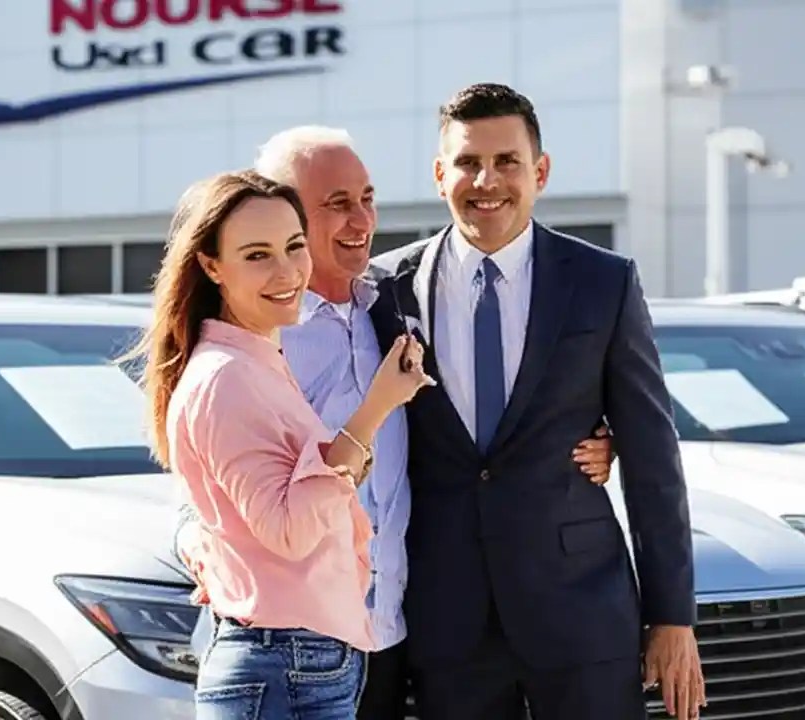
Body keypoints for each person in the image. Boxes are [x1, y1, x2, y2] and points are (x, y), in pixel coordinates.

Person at [247, 126, 616, 719]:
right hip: (298, 643)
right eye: (337, 204)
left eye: (367, 199)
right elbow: (214, 474)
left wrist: (598, 436)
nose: (360, 221)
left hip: (387, 634)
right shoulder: (258, 337)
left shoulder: (389, 305)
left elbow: (479, 421)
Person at [367, 83, 705, 720]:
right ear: (440, 175)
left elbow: (654, 458)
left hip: (582, 612)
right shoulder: (384, 292)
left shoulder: (603, 281)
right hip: (446, 620)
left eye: (507, 162)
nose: (486, 180)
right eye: (467, 162)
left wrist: (671, 616)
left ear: (540, 172)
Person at [132, 169, 433, 719]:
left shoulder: (251, 360)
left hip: (295, 658)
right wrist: (376, 407)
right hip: (286, 664)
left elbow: (247, 515)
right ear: (211, 266)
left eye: (295, 246)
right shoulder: (228, 377)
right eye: (257, 255)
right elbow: (290, 529)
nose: (288, 270)